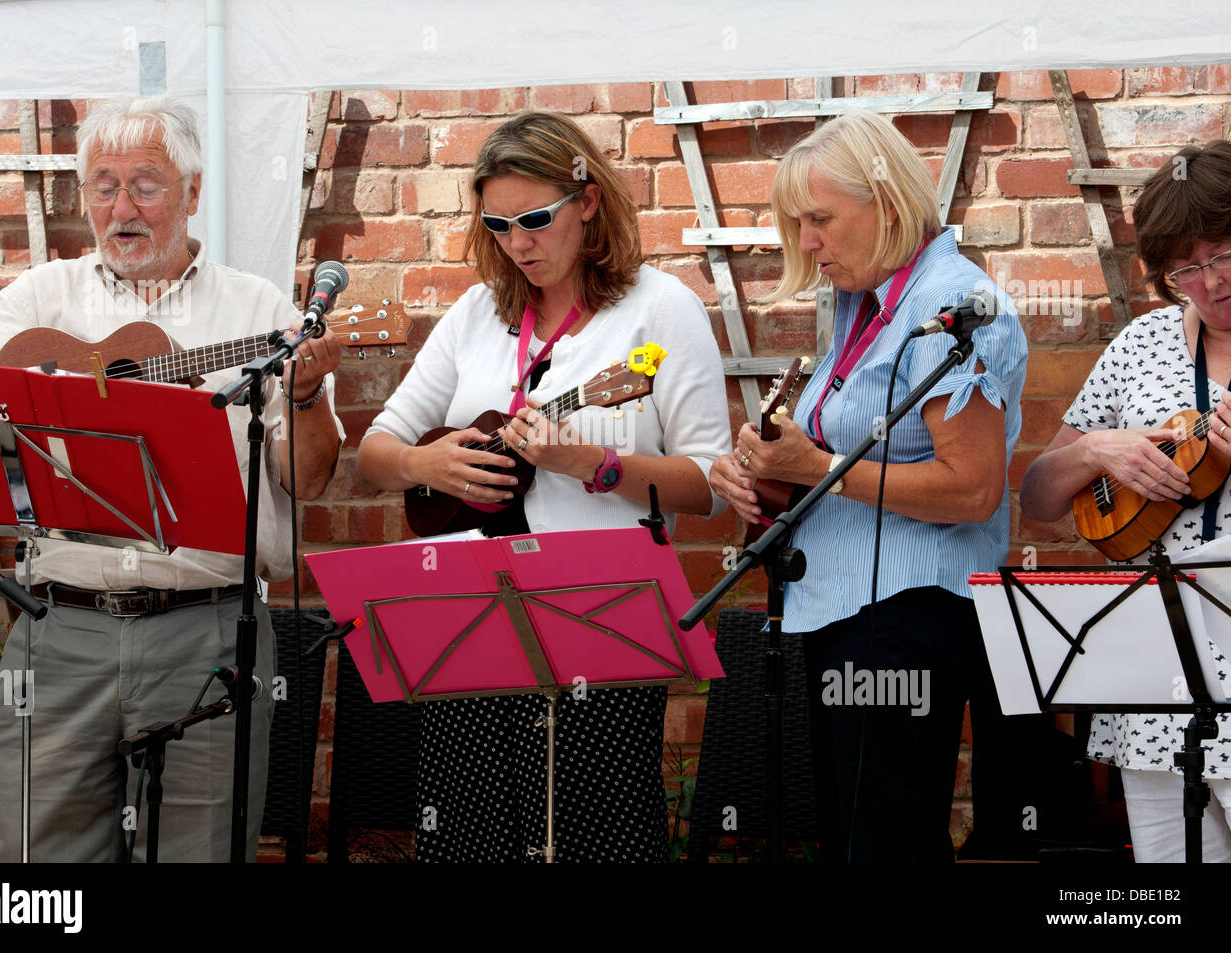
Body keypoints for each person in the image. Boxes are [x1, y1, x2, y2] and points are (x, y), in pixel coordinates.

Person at [0, 94, 345, 862]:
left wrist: (303, 394)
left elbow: (309, 476)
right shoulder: (40, 297)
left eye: (146, 185)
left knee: (198, 850)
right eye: (102, 185)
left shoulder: (256, 306)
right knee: (32, 859)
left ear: (192, 194)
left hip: (210, 627)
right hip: (60, 629)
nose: (121, 208)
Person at [357, 111, 731, 862]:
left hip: (600, 622)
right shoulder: (476, 314)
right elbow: (375, 449)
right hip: (470, 618)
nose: (518, 244)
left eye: (535, 219)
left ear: (588, 201)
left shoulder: (660, 312)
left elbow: (707, 486)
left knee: (595, 836)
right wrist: (423, 466)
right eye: (498, 225)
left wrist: (594, 465)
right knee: (467, 838)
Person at [710, 111, 1027, 862]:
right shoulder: (865, 306)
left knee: (887, 846)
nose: (807, 241)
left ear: (885, 202)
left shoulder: (950, 306)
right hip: (843, 612)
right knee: (855, 842)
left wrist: (814, 469)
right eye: (798, 222)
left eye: (820, 218)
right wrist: (758, 470)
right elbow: (828, 460)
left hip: (907, 619)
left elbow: (973, 489)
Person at [1021, 140, 1231, 863]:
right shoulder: (1141, 344)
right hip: (1159, 680)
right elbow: (1038, 496)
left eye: (1225, 253)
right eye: (1187, 266)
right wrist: (1093, 451)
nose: (1211, 282)